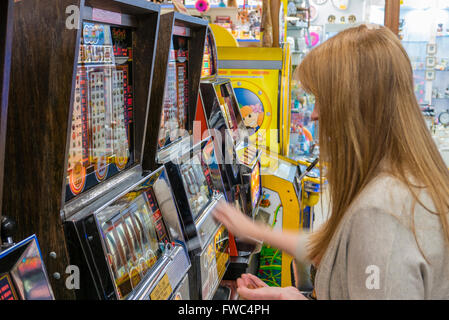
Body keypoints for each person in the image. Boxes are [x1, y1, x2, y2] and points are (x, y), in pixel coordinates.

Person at [213, 24, 449, 300]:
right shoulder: (404, 178)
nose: (314, 115)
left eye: (321, 100)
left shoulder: (380, 212)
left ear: (354, 107)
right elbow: (335, 248)